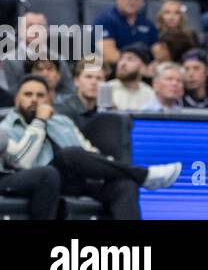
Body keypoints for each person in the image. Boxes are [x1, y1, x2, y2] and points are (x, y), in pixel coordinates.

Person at [2, 75, 180, 219]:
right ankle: (144, 175)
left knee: (124, 185)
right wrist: (39, 121)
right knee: (68, 155)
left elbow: (88, 152)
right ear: (17, 99)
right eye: (28, 95)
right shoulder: (7, 127)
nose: (34, 100)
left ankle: (131, 254)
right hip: (43, 180)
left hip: (75, 179)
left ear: (50, 99)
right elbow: (22, 162)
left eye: (40, 95)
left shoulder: (63, 122)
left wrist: (107, 168)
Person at [93, 0, 159, 68]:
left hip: (143, 74)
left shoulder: (147, 24)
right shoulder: (104, 20)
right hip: (113, 72)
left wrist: (155, 65)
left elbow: (158, 54)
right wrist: (139, 67)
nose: (132, 1)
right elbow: (109, 55)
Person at [54, 58, 105, 127]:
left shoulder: (105, 111)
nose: (94, 82)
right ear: (76, 81)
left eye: (99, 78)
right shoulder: (62, 109)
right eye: (88, 77)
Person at [108, 43, 157, 111]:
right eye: (121, 59)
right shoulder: (107, 89)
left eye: (130, 59)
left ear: (143, 68)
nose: (123, 63)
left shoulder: (150, 94)